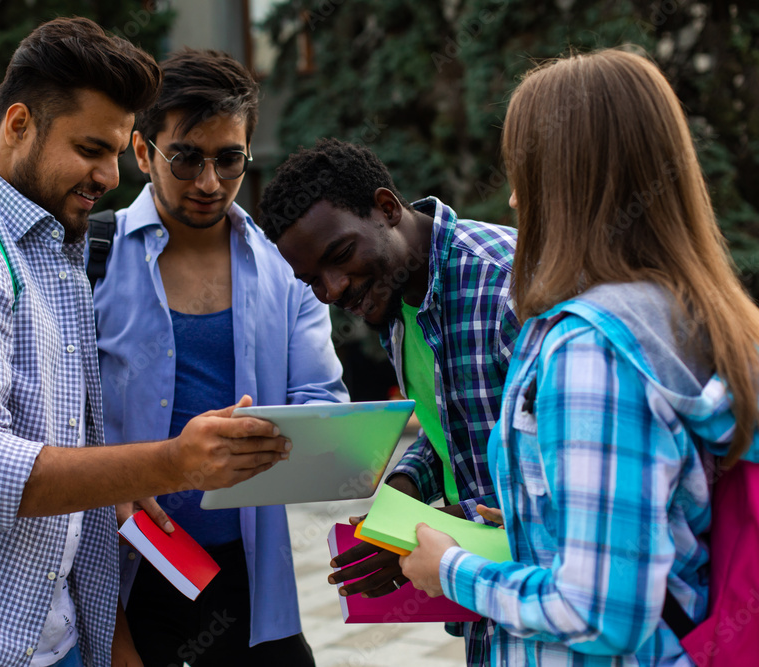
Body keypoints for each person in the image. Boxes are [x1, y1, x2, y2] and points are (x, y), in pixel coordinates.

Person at [0, 19, 290, 667]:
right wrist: (174, 461)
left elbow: (61, 465)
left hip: (45, 636)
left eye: (119, 152)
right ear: (18, 125)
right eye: (91, 148)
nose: (110, 175)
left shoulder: (54, 256)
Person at [398, 48, 759, 664]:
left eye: (524, 173)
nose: (514, 201)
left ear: (567, 184)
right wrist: (530, 525)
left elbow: (601, 613)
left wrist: (450, 569)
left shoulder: (591, 347)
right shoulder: (696, 314)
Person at [94, 48, 347, 666]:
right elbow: (48, 416)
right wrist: (114, 485)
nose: (209, 182)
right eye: (185, 158)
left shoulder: (285, 271)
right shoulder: (90, 260)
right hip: (124, 572)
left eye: (228, 159)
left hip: (251, 576)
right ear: (142, 150)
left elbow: (323, 404)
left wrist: (272, 436)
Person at [257, 138, 519, 666]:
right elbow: (454, 425)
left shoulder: (507, 285)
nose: (333, 290)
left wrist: (427, 536)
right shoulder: (397, 298)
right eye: (311, 280)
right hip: (489, 610)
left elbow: (561, 483)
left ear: (386, 208)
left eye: (339, 256)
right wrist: (403, 490)